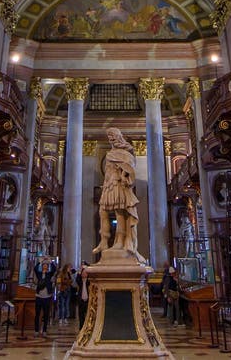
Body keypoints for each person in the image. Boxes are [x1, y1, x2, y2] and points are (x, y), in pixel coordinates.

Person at [93, 127, 143, 260]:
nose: (111, 139)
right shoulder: (111, 153)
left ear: (118, 136)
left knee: (119, 213)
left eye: (112, 136)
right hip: (108, 186)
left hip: (118, 185)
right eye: (109, 137)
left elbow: (130, 167)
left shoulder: (124, 153)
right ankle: (104, 240)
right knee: (102, 211)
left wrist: (125, 173)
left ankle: (120, 241)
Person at [33, 258, 56, 337]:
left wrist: (50, 261)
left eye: (46, 265)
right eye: (44, 265)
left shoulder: (49, 274)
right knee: (37, 314)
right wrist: (40, 262)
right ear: (42, 266)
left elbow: (54, 269)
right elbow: (35, 269)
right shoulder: (39, 274)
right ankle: (36, 330)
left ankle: (44, 330)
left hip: (47, 296)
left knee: (46, 314)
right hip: (39, 296)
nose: (45, 266)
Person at [76, 264, 89, 329]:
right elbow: (77, 279)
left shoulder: (89, 282)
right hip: (81, 300)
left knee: (87, 315)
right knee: (81, 315)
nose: (84, 274)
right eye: (83, 273)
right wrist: (80, 271)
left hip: (88, 300)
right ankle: (81, 328)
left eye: (85, 273)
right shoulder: (80, 282)